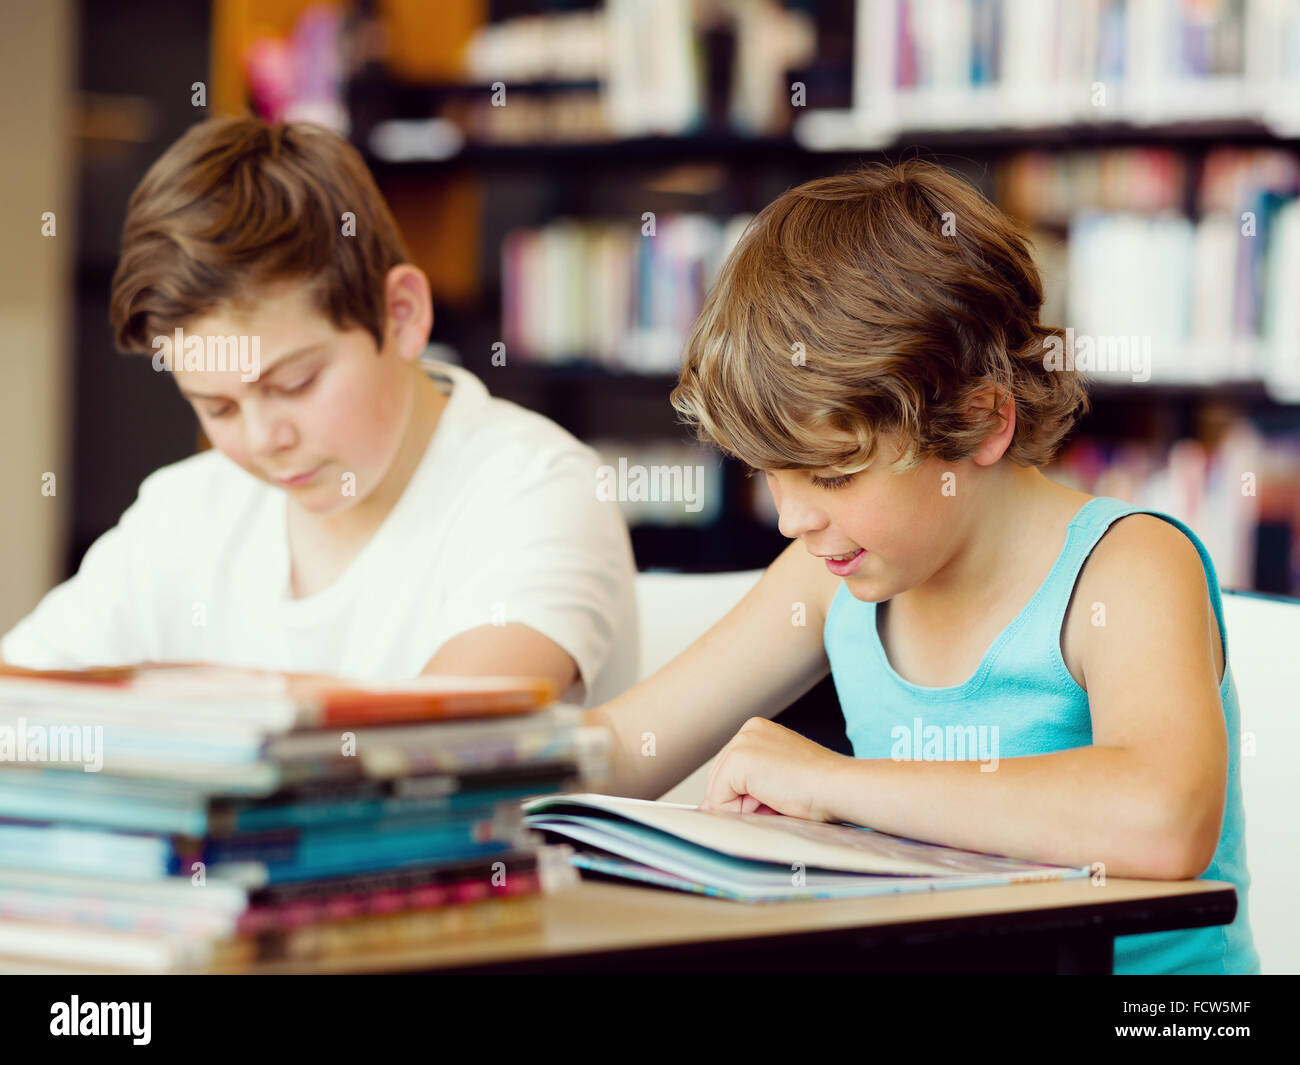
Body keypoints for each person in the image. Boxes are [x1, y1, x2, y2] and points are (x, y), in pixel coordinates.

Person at [583, 160, 1258, 975]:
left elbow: (1164, 816)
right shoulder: (825, 572)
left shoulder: (1129, 567)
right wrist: (430, 786)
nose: (794, 519)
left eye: (833, 475)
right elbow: (623, 743)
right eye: (771, 474)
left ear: (980, 422)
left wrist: (834, 785)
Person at [0, 116, 639, 708]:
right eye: (217, 407)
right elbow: (18, 702)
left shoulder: (537, 491)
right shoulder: (183, 511)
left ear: (402, 313)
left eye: (295, 383)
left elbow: (442, 752)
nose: (262, 440)